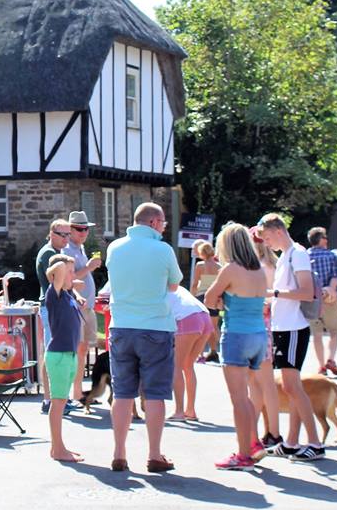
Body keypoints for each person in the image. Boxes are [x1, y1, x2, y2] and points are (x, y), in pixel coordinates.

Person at [106, 202, 182, 473]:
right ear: (153, 222)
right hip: (155, 326)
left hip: (121, 326)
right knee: (154, 395)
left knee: (122, 392)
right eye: (162, 224)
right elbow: (174, 284)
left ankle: (119, 453)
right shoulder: (163, 249)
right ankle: (154, 454)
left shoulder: (114, 248)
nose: (163, 228)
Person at [257, 213, 325, 461]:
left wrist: (273, 293)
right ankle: (293, 442)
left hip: (293, 327)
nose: (265, 243)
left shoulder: (298, 254)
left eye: (266, 237)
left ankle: (315, 443)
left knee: (291, 386)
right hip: (284, 327)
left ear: (276, 231)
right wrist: (272, 299)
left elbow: (306, 292)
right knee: (291, 386)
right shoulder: (287, 255)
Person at [205, 223, 269, 470]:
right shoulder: (260, 271)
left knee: (239, 399)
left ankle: (242, 455)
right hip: (258, 336)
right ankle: (253, 443)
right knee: (249, 396)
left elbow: (210, 298)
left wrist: (222, 302)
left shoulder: (231, 269)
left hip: (236, 336)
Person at [44, 255, 84, 462]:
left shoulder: (67, 294)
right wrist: (60, 267)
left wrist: (74, 285)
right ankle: (58, 449)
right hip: (59, 355)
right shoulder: (54, 293)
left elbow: (72, 280)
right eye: (69, 271)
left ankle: (58, 447)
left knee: (61, 400)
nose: (72, 274)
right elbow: (57, 268)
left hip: (69, 355)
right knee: (58, 402)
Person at [248, 229, 283, 452]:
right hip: (272, 323)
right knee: (265, 383)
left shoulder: (257, 268)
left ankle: (271, 432)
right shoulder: (275, 265)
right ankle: (269, 431)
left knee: (257, 383)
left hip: (259, 323)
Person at [63, 210, 103, 406]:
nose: (84, 232)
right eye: (79, 229)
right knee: (77, 350)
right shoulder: (67, 250)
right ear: (70, 230)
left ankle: (78, 392)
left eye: (86, 229)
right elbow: (69, 279)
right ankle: (74, 393)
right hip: (76, 307)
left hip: (87, 305)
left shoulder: (80, 247)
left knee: (84, 349)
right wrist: (89, 267)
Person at [36, 219, 74, 415]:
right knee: (53, 354)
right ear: (52, 233)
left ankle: (53, 398)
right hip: (51, 309)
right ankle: (52, 399)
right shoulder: (49, 254)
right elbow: (57, 283)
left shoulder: (57, 252)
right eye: (63, 235)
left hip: (53, 308)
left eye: (69, 234)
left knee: (52, 352)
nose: (67, 238)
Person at [165, 286, 212, 421]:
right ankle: (190, 410)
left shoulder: (158, 289)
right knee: (188, 365)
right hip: (204, 316)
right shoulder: (178, 288)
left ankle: (179, 411)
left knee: (176, 366)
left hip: (188, 319)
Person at [307, 227, 337, 376]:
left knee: (317, 334)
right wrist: (331, 292)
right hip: (329, 299)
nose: (327, 240)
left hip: (311, 299)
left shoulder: (305, 256)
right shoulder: (331, 255)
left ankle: (321, 366)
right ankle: (331, 359)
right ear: (320, 240)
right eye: (325, 237)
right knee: (334, 331)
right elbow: (334, 276)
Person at [191, 240, 222, 362]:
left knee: (201, 327)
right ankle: (214, 351)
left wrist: (192, 297)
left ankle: (200, 354)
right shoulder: (219, 267)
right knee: (213, 327)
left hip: (201, 297)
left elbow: (194, 284)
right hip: (214, 298)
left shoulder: (200, 266)